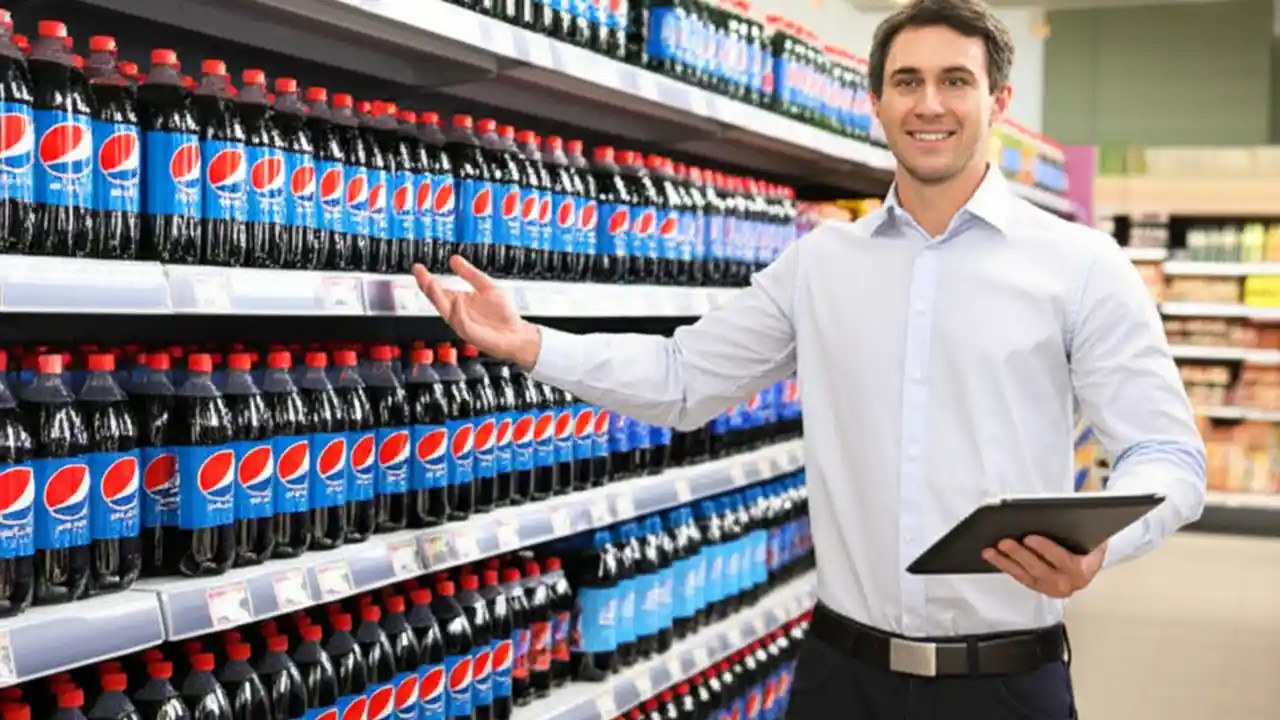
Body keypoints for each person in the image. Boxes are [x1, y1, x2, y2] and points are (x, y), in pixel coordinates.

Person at [412, 0, 1206, 716]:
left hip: (1002, 683)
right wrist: (532, 344)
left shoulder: (1079, 265)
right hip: (840, 675)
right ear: (876, 102)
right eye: (906, 82)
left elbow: (1167, 455)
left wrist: (1102, 545)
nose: (929, 104)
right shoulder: (822, 263)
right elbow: (684, 380)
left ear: (997, 101)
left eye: (955, 81)